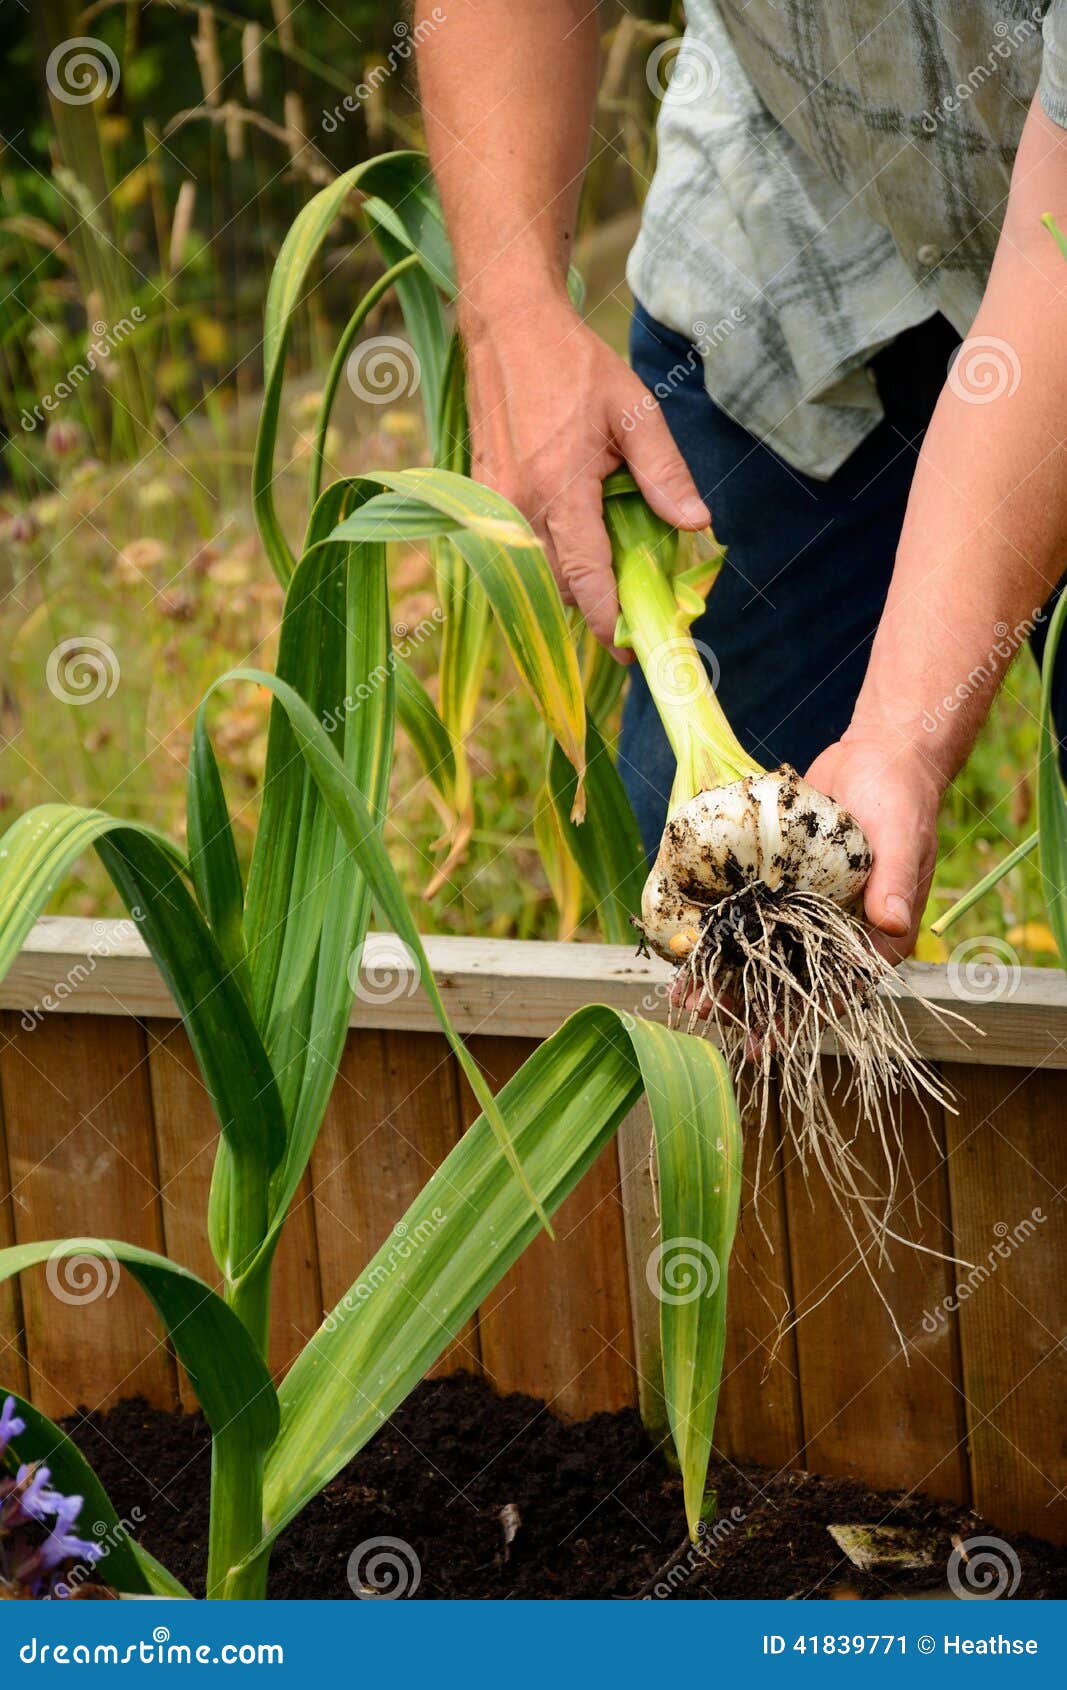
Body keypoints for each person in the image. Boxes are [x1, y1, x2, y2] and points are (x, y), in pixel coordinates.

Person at [415, 1, 1067, 960]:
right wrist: (511, 310)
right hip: (782, 257)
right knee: (689, 922)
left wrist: (901, 736)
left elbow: (1049, 262)